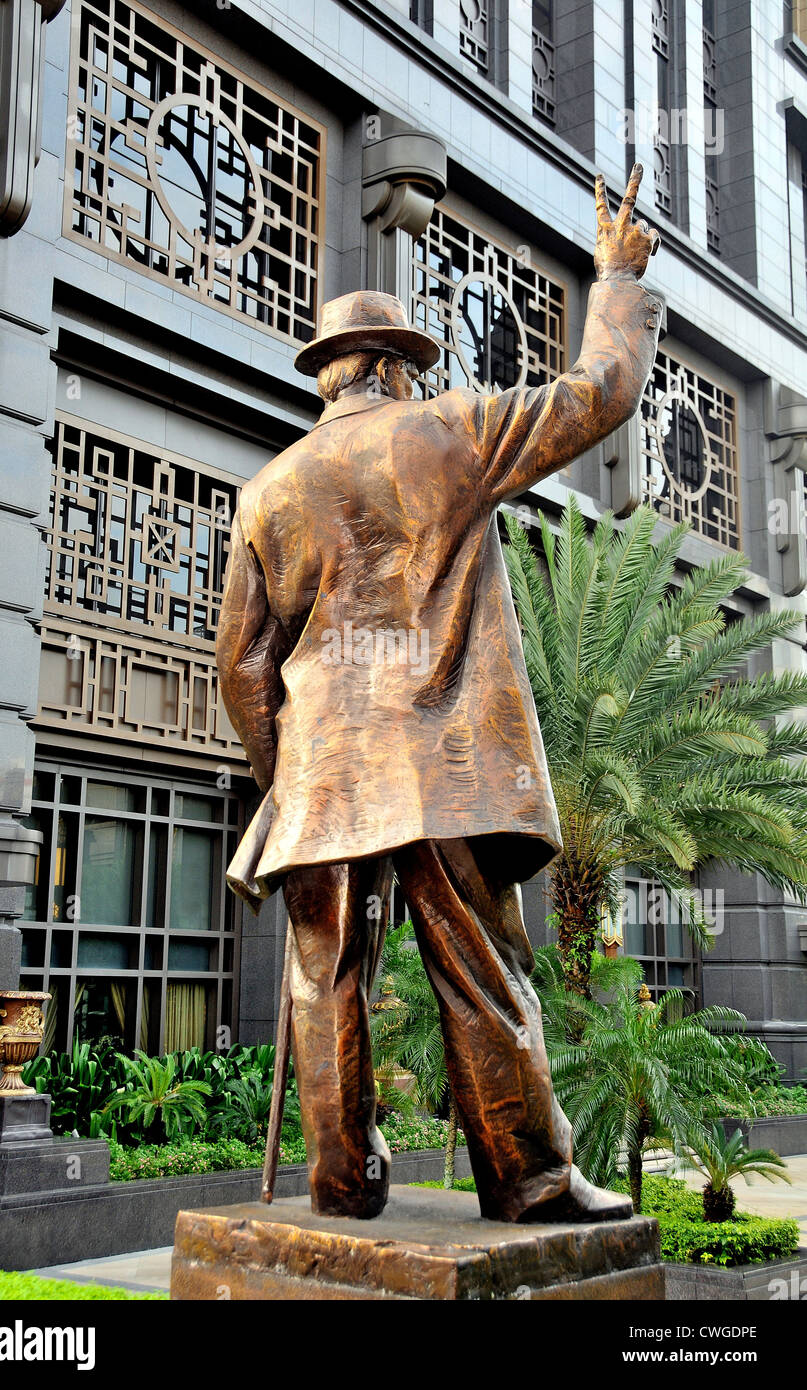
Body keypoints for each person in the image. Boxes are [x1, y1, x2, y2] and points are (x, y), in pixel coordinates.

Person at [217, 165, 662, 1222]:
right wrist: (613, 279)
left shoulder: (266, 489)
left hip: (322, 773)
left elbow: (240, 665)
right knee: (475, 965)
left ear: (329, 374)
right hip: (435, 760)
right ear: (387, 366)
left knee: (322, 980)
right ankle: (529, 1176)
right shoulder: (447, 434)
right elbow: (599, 394)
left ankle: (339, 1179)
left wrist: (283, 773)